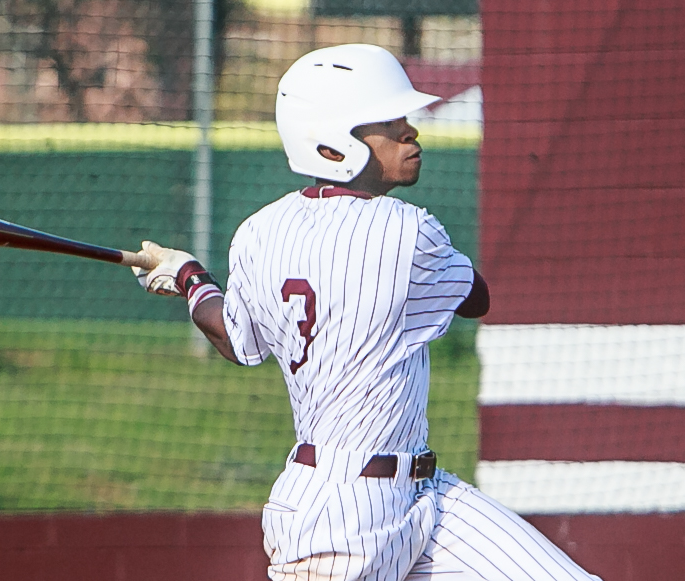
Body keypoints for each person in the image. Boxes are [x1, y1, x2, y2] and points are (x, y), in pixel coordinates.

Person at [133, 44, 601, 581]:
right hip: (341, 517)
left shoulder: (259, 232)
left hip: (427, 497)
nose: (411, 132)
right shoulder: (409, 229)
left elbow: (236, 341)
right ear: (333, 148)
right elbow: (477, 297)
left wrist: (192, 277)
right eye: (388, 123)